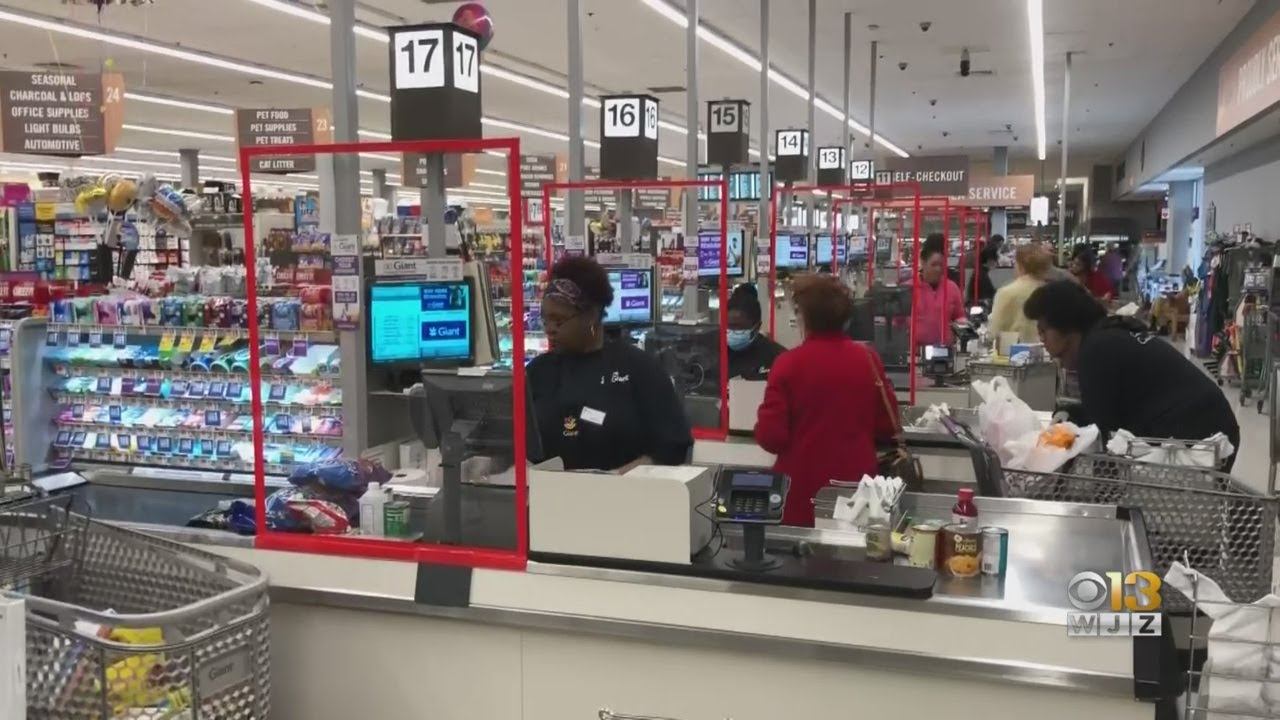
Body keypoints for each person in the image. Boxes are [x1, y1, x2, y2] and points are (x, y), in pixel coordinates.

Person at [1024, 280, 1239, 470]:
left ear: (1067, 326)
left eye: (1044, 330)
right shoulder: (1107, 335)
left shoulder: (1096, 351)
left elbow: (1104, 437)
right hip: (1210, 423)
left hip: (1199, 437)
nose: (1041, 338)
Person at [754, 274, 899, 526]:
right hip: (858, 492)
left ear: (804, 317)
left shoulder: (787, 364)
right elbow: (889, 424)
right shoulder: (867, 359)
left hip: (799, 493)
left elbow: (772, 437)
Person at [528, 256, 693, 472]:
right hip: (548, 499)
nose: (549, 329)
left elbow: (674, 447)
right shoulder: (538, 373)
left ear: (591, 315)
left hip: (626, 499)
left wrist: (616, 479)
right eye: (545, 319)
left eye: (559, 320)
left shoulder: (640, 369)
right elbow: (506, 441)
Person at [988, 244, 1052, 344]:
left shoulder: (1006, 292)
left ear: (1021, 266)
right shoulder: (1052, 292)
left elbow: (995, 331)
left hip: (1012, 353)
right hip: (1045, 352)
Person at [726, 283, 785, 380]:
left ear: (757, 327)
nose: (733, 332)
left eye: (740, 327)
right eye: (729, 326)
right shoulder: (711, 351)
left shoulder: (777, 358)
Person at [914, 233, 965, 346]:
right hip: (915, 353)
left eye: (941, 265)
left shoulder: (952, 288)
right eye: (934, 265)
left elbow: (960, 316)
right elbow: (897, 324)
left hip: (945, 351)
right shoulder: (910, 288)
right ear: (923, 262)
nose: (938, 269)